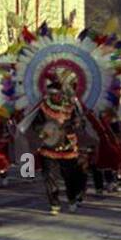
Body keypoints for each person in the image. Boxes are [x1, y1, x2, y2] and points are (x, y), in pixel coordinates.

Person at [18, 72, 88, 215]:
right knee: (49, 176)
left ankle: (72, 199)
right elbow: (35, 125)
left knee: (70, 177)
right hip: (49, 147)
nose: (55, 97)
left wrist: (74, 123)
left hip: (67, 147)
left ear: (62, 94)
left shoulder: (71, 107)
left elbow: (80, 123)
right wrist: (44, 130)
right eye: (52, 94)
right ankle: (54, 203)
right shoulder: (42, 108)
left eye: (57, 94)